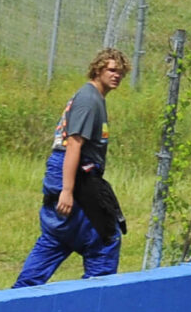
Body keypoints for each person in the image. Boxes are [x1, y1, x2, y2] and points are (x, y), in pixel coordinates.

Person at [14, 48, 130, 289]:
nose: (116, 75)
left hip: (73, 171)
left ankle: (20, 294)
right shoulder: (89, 99)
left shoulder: (94, 97)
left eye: (120, 71)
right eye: (111, 70)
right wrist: (67, 190)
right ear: (98, 70)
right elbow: (73, 145)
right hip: (75, 171)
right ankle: (94, 296)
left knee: (59, 235)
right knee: (106, 239)